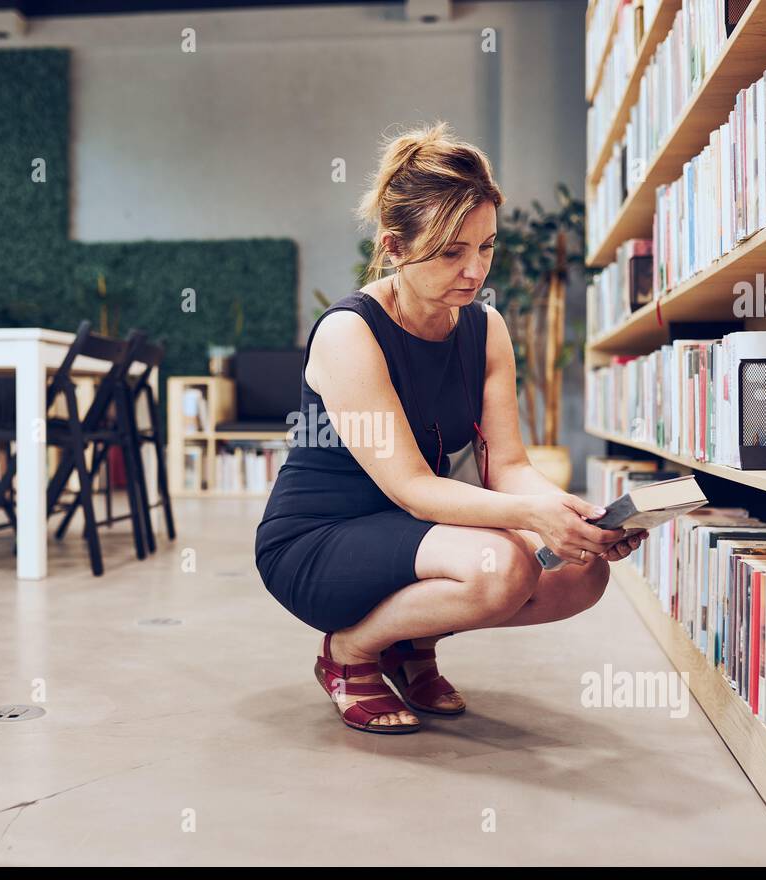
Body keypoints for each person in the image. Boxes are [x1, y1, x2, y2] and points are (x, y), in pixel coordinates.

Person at [254, 121, 646, 735]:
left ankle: (410, 647)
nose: (474, 270)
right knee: (501, 567)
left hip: (412, 531)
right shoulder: (348, 332)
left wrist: (570, 511)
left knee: (580, 573)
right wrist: (530, 519)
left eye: (486, 247)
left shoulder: (484, 328)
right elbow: (411, 486)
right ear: (392, 247)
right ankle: (349, 653)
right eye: (450, 252)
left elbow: (508, 466)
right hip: (319, 539)